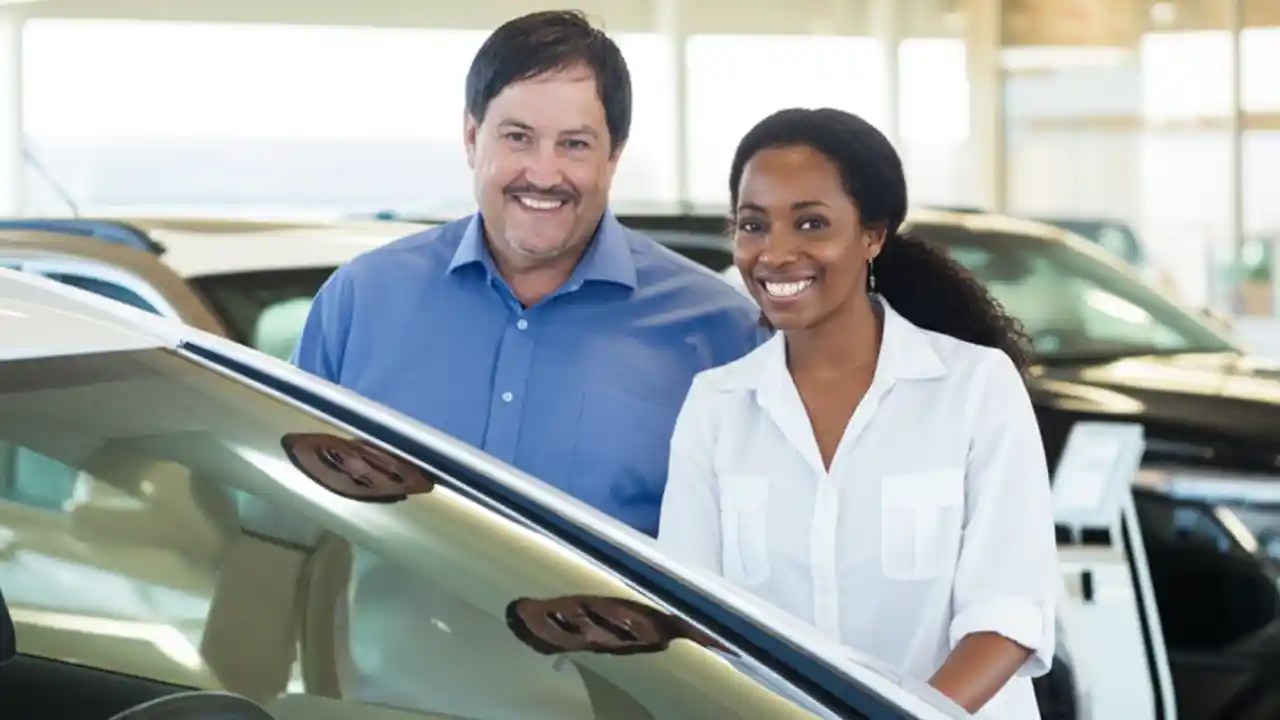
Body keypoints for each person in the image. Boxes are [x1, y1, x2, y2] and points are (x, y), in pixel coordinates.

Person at [291, 10, 762, 537]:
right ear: (472, 138)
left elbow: (755, 561)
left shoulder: (721, 334)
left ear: (613, 158)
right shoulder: (360, 302)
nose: (543, 173)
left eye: (575, 144)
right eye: (518, 137)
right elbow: (284, 523)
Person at [657, 108, 1058, 718]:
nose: (776, 253)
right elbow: (691, 616)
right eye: (753, 225)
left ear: (872, 235)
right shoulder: (717, 406)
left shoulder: (975, 388)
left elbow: (1007, 616)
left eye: (811, 223)